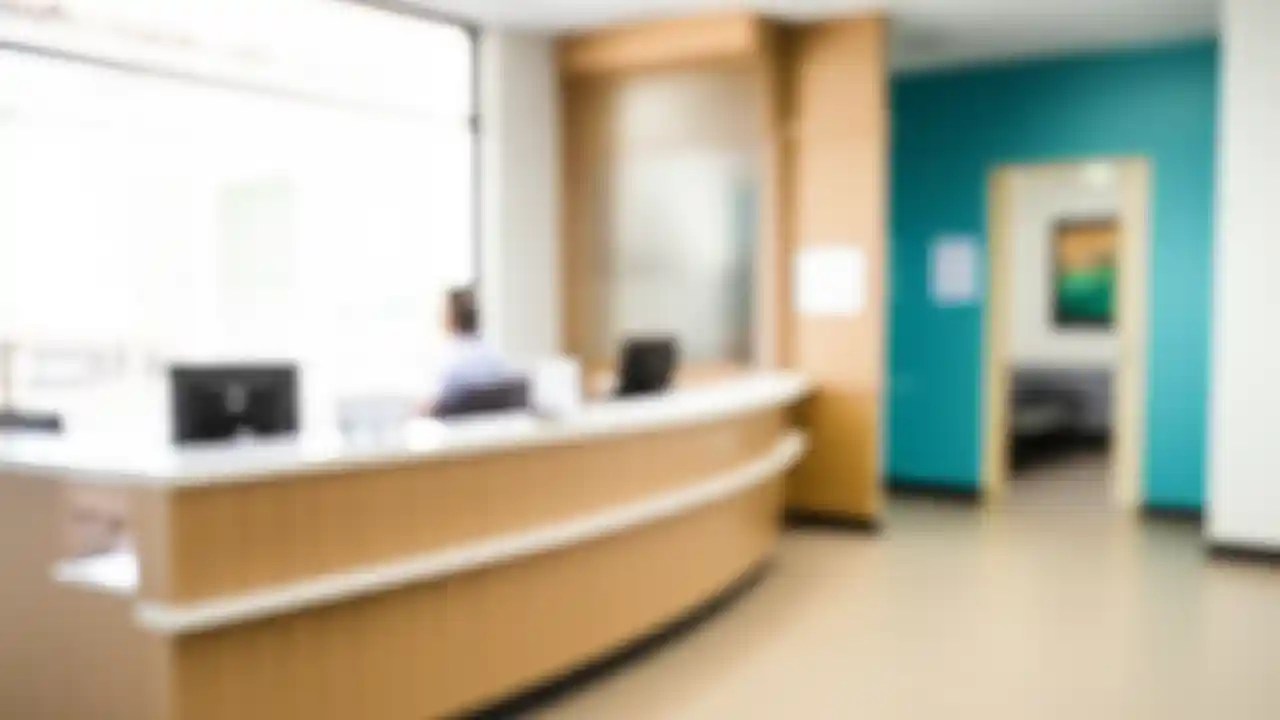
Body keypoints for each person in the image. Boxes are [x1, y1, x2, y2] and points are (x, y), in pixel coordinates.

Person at [425, 287, 513, 416]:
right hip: (493, 430)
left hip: (454, 430)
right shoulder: (494, 355)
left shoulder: (449, 359)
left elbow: (436, 403)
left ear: (451, 316)